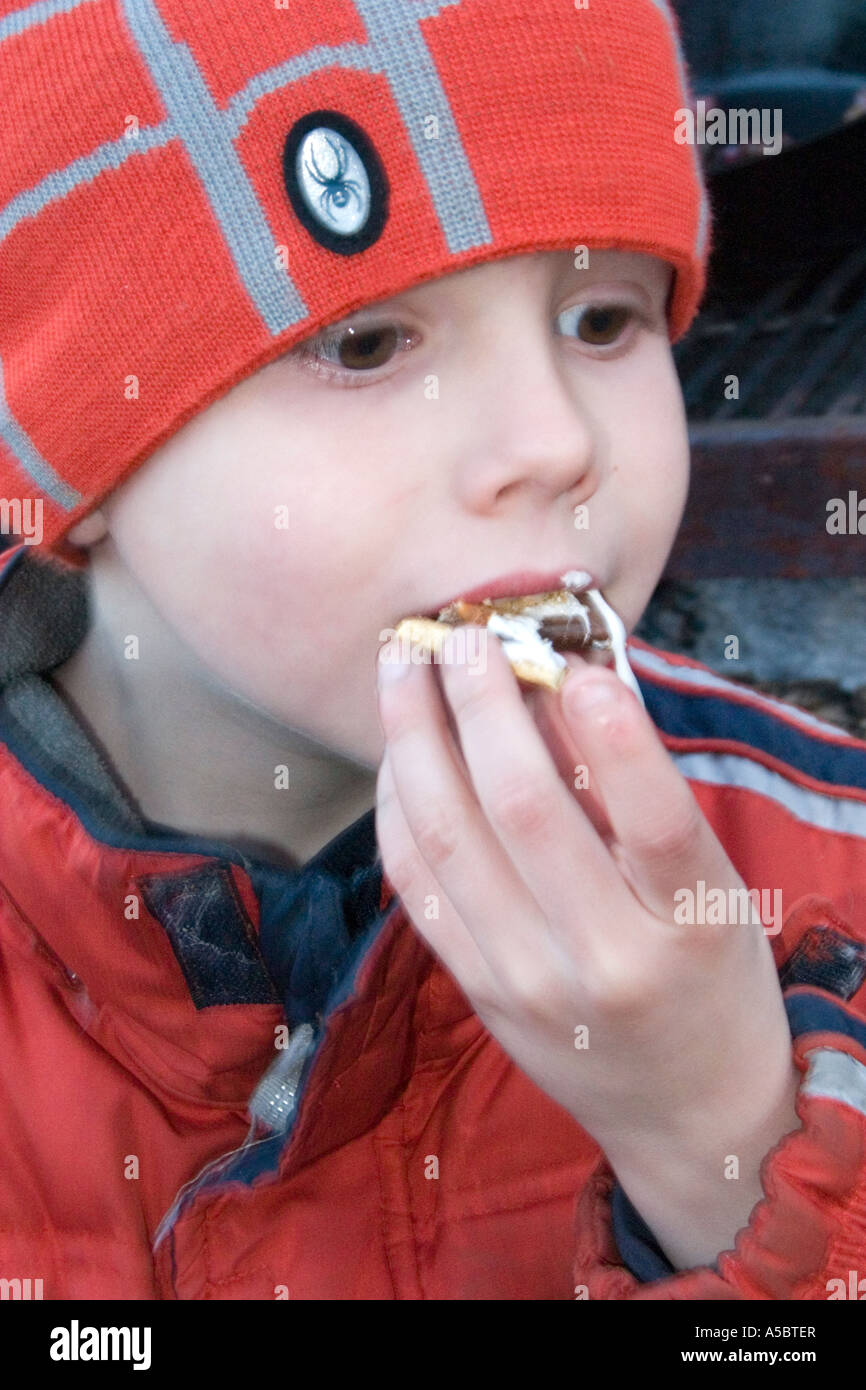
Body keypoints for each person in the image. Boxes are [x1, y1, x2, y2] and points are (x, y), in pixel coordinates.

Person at [0, 0, 863, 1301]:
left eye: (602, 320)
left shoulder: (820, 863)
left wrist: (724, 1144)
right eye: (365, 343)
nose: (554, 441)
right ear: (80, 460)